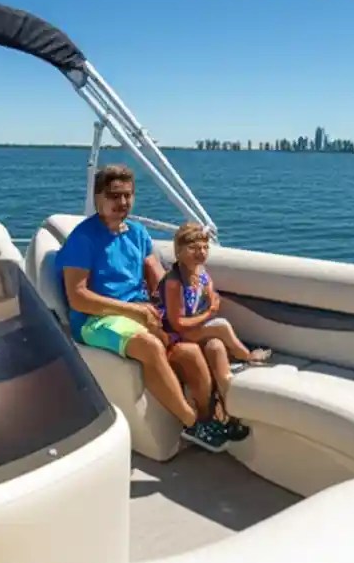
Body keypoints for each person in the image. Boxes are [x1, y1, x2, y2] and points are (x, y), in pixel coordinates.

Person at [57, 164, 229, 451]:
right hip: (95, 319)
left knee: (190, 352)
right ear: (98, 197)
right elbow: (78, 297)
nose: (122, 203)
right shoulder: (82, 239)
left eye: (128, 195)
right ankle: (193, 424)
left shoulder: (137, 233)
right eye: (114, 196)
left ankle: (210, 417)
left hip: (139, 310)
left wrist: (179, 305)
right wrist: (134, 311)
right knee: (150, 345)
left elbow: (158, 278)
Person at [158, 222, 271, 437]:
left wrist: (209, 301)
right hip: (179, 335)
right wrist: (209, 314)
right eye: (193, 248)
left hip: (195, 329)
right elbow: (177, 323)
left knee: (217, 346)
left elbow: (211, 295)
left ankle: (231, 414)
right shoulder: (175, 283)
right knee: (221, 326)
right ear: (179, 252)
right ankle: (246, 355)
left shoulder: (201, 274)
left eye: (204, 248)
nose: (200, 253)